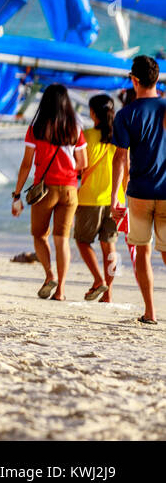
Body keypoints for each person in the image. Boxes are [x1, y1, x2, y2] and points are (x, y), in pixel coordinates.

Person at [10, 83, 87, 301]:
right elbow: (83, 162)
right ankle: (61, 291)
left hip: (45, 191)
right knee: (62, 239)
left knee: (39, 235)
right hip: (70, 190)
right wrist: (68, 171)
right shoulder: (75, 128)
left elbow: (26, 164)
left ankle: (49, 274)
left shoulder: (37, 127)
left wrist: (17, 195)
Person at [110, 55, 166, 324]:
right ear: (157, 79)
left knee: (142, 252)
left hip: (140, 193)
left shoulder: (126, 114)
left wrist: (114, 197)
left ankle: (150, 312)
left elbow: (120, 158)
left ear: (134, 80)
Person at [74, 94, 121, 304]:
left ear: (92, 113)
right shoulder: (121, 136)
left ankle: (98, 279)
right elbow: (127, 169)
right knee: (110, 248)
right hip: (115, 200)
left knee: (82, 241)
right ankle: (109, 294)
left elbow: (79, 166)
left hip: (89, 198)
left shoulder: (86, 136)